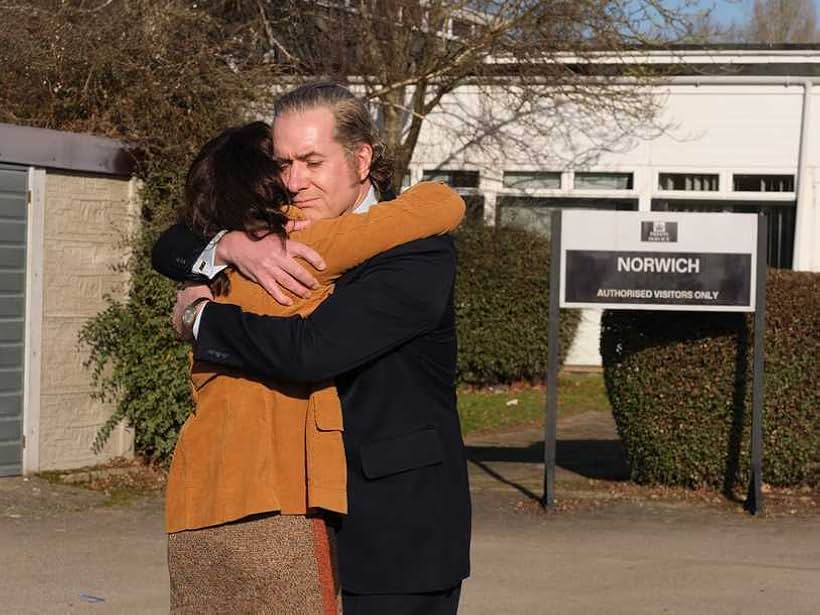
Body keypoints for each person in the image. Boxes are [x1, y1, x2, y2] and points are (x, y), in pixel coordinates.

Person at [153, 82, 472, 615]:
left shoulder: (418, 249)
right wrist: (228, 245)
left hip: (397, 534)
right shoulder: (273, 235)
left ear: (362, 157)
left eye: (312, 161)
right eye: (284, 163)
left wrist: (200, 316)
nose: (294, 182)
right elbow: (172, 242)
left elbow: (312, 350)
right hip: (297, 529)